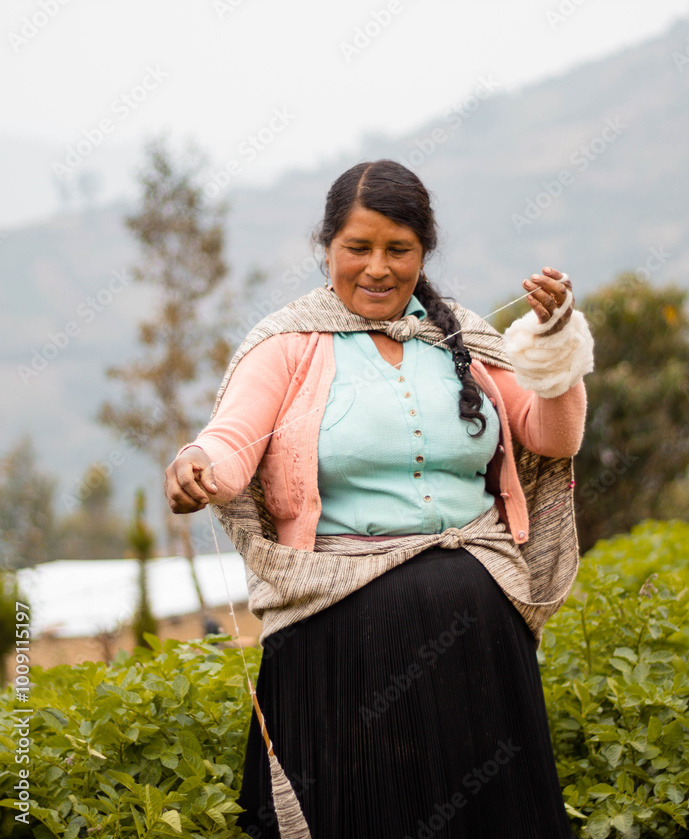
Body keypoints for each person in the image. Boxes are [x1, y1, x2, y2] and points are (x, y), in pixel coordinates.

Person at [164, 159, 593, 838]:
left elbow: (552, 438)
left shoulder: (464, 338)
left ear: (425, 251)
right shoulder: (287, 345)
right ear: (326, 247)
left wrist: (555, 349)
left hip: (477, 641)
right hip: (340, 641)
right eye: (357, 248)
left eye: (399, 250)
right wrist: (195, 466)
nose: (377, 267)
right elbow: (231, 441)